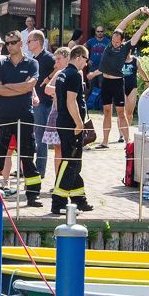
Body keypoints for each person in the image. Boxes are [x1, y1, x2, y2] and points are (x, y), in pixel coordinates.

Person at [0, 30, 42, 207]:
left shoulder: (32, 63)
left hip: (24, 116)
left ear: (21, 43)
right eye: (7, 43)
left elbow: (30, 86)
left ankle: (33, 195)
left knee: (27, 156)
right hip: (2, 116)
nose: (9, 46)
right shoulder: (1, 65)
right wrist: (20, 87)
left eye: (13, 42)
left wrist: (8, 87)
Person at [88, 7, 149, 148]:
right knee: (106, 112)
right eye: (113, 40)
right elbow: (124, 22)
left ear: (122, 41)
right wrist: (139, 11)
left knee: (121, 114)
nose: (115, 43)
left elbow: (139, 32)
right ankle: (104, 142)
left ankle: (127, 141)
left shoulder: (125, 48)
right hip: (106, 82)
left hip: (118, 82)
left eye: (118, 42)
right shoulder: (109, 46)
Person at [51, 45, 91, 215]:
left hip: (63, 121)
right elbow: (71, 101)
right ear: (79, 57)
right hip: (71, 124)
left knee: (74, 163)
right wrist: (79, 123)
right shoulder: (74, 75)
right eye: (86, 59)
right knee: (70, 163)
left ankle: (79, 199)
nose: (86, 63)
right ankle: (58, 202)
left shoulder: (62, 74)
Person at [27, 30, 55, 175]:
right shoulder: (33, 58)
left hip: (44, 103)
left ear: (38, 42)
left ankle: (40, 170)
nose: (27, 43)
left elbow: (61, 66)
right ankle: (26, 167)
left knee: (40, 138)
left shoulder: (49, 58)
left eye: (29, 41)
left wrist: (49, 77)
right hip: (32, 103)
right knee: (31, 136)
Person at [41, 47, 69, 183]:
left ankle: (66, 180)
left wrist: (58, 90)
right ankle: (58, 181)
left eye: (59, 59)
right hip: (56, 112)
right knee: (57, 148)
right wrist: (61, 90)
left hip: (68, 114)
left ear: (67, 58)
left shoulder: (75, 72)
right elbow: (47, 89)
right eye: (56, 59)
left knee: (67, 149)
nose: (56, 63)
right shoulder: (58, 73)